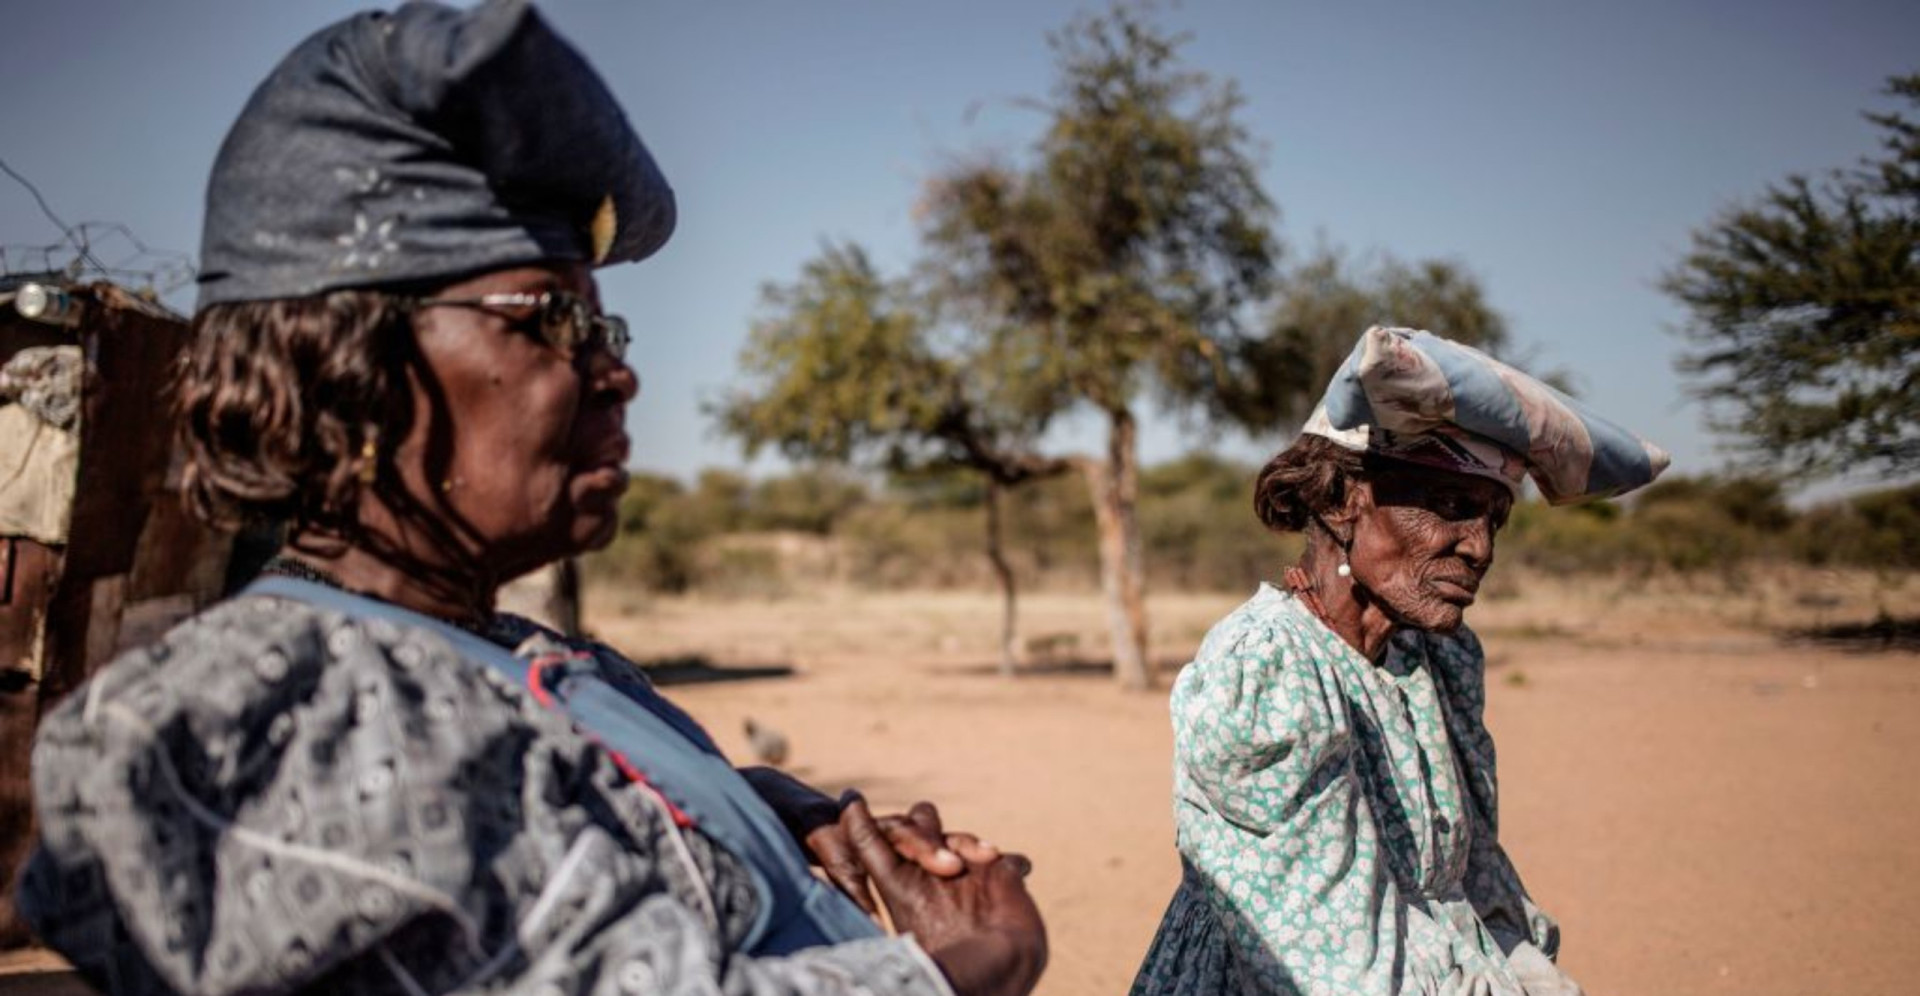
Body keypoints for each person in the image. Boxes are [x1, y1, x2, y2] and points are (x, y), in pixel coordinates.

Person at [16, 3, 1046, 994]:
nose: (615, 372)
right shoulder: (251, 725)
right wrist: (967, 968)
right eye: (553, 322)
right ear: (347, 368)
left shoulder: (536, 664)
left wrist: (753, 818)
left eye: (609, 331)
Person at [1130, 326, 1670, 996]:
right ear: (1339, 502)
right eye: (1450, 507)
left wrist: (1526, 967)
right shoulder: (1267, 672)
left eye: (1494, 520)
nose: (1479, 549)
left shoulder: (1436, 656)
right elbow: (1336, 965)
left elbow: (1473, 872)